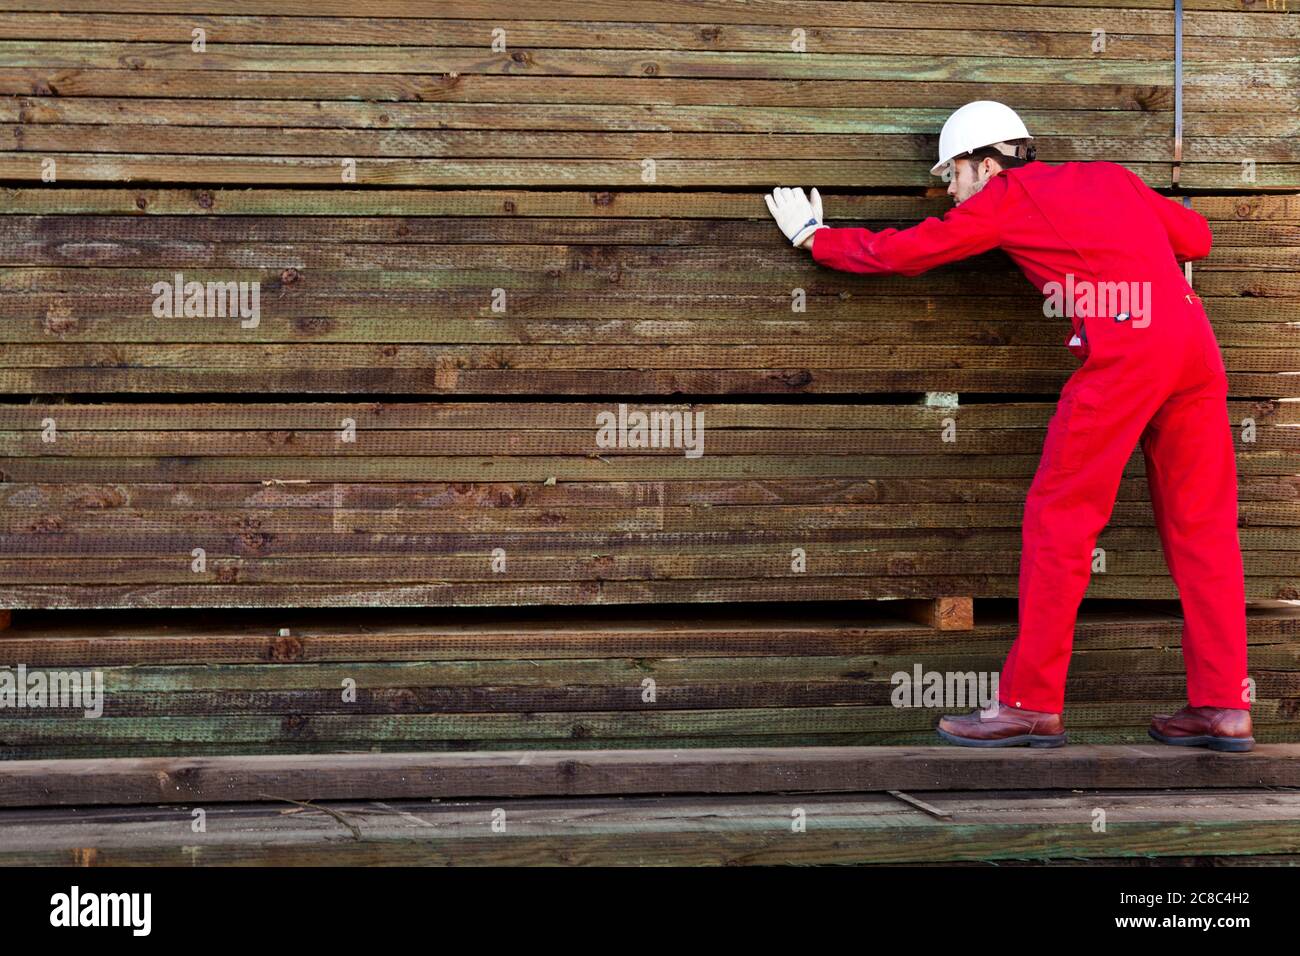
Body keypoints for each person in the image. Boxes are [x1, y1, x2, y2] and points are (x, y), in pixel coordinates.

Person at [764, 101, 1253, 751]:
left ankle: (1030, 706)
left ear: (987, 164)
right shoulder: (1110, 176)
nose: (948, 193)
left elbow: (906, 252)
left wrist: (815, 238)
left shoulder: (1008, 198)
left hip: (1125, 359)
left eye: (953, 177)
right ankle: (1223, 707)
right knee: (1204, 533)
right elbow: (1197, 238)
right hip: (1195, 353)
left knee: (1060, 524)